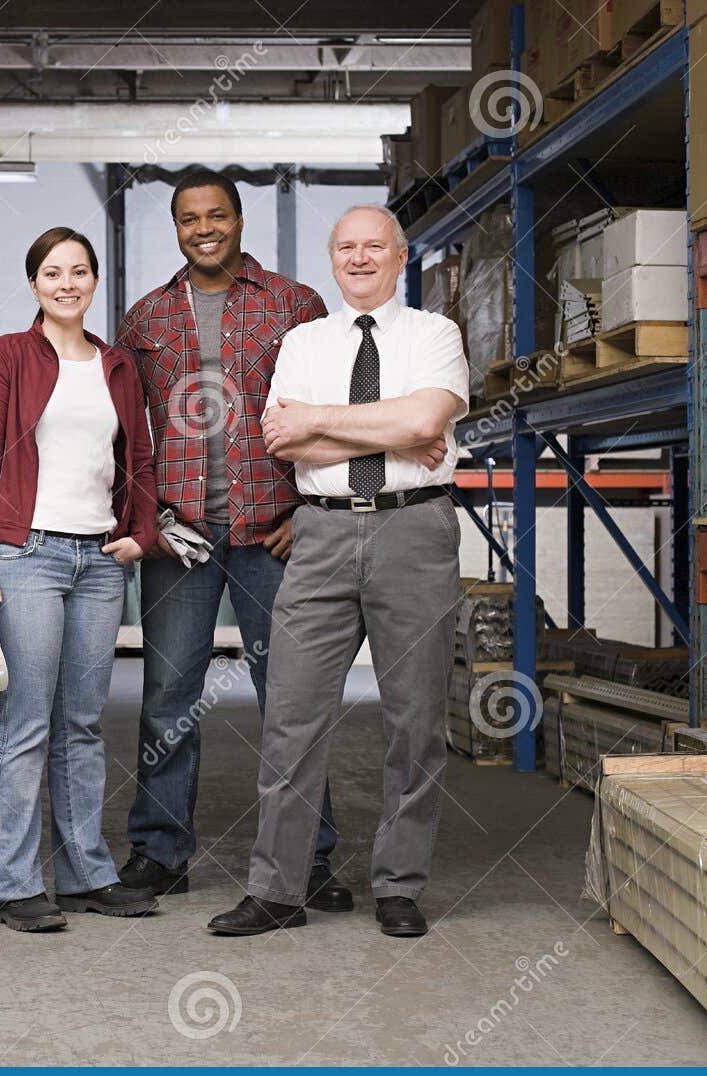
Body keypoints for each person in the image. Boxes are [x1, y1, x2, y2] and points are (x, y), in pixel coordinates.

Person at [208, 203, 465, 939]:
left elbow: (424, 428)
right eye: (346, 246)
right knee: (290, 715)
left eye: (373, 246)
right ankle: (277, 889)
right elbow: (282, 441)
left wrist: (326, 420)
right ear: (333, 258)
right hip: (317, 537)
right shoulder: (302, 340)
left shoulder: (435, 335)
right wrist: (378, 424)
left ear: (400, 254)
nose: (359, 258)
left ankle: (399, 884)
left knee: (415, 719)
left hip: (415, 529)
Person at [115, 168, 347, 912]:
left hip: (272, 534)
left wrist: (309, 512)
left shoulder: (294, 304)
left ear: (239, 221)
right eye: (189, 218)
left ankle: (306, 856)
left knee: (291, 699)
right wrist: (146, 520)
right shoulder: (146, 317)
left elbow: (330, 414)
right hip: (181, 538)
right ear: (176, 227)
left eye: (217, 214)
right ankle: (159, 851)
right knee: (168, 698)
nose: (203, 228)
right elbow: (127, 434)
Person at [0, 227, 161, 932]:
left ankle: (84, 874)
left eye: (79, 271)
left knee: (81, 722)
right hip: (29, 555)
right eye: (53, 271)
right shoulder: (6, 356)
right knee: (25, 721)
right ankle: (15, 885)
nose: (67, 282)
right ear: (35, 281)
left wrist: (143, 529)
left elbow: (138, 453)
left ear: (94, 280)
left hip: (100, 560)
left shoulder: (117, 364)